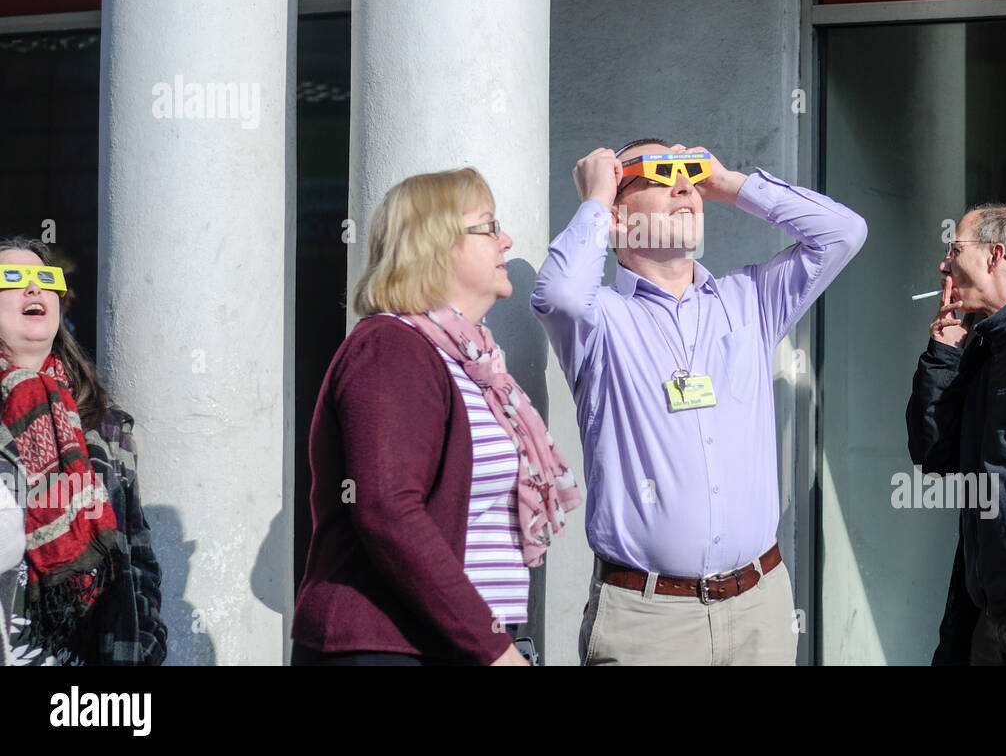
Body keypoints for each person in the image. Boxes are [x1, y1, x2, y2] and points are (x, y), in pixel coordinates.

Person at [532, 139, 867, 665]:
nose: (683, 184)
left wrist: (730, 184)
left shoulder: (749, 299)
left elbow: (844, 233)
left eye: (689, 173)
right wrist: (596, 198)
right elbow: (559, 295)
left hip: (761, 608)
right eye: (659, 175)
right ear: (619, 222)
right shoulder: (603, 320)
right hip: (649, 621)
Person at [291, 168, 580, 666]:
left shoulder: (473, 360)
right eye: (489, 227)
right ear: (436, 244)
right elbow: (387, 510)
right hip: (390, 647)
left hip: (457, 641)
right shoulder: (391, 347)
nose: (505, 240)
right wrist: (495, 651)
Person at [905, 205, 1006, 666]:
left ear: (995, 256)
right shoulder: (984, 345)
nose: (943, 264)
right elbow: (935, 456)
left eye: (954, 250)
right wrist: (945, 352)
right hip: (985, 605)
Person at [0, 237, 165, 666]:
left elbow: (139, 555)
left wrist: (144, 642)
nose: (34, 290)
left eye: (44, 279)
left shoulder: (105, 427)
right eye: (12, 279)